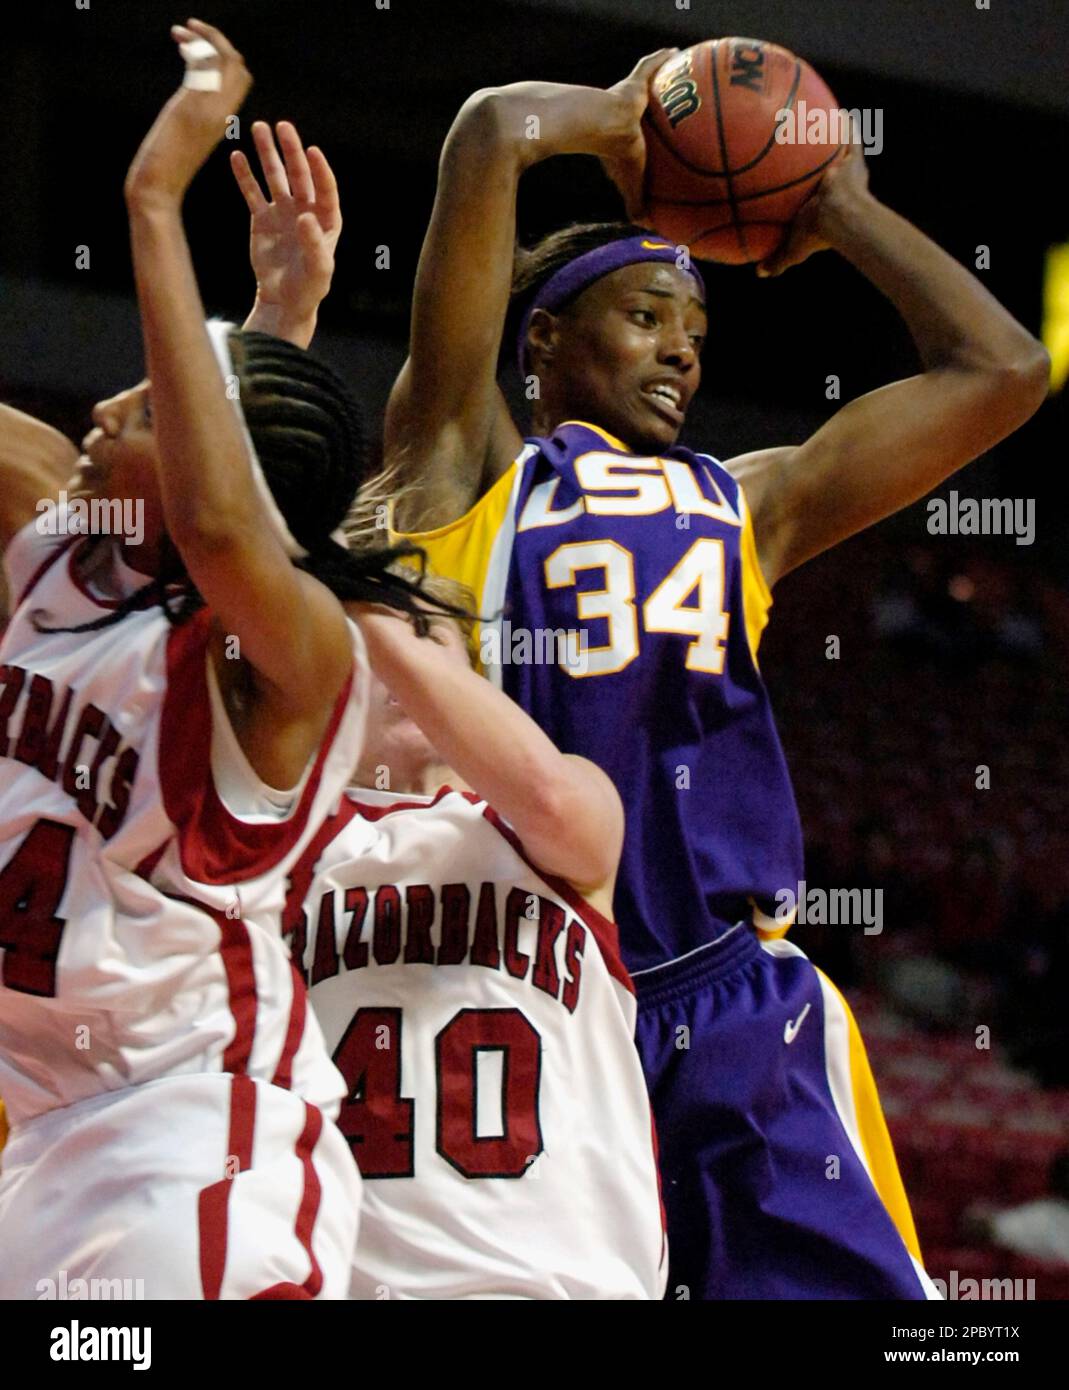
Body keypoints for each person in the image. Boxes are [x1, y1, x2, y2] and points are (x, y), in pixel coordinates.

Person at [379, 51, 1050, 1297]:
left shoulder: (748, 503)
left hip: (738, 1003)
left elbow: (1003, 373)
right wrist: (620, 127)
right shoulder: (464, 474)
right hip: (535, 1006)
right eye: (643, 319)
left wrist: (843, 205)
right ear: (543, 340)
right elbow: (486, 131)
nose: (681, 352)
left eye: (694, 331)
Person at [0, 20, 446, 1300]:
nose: (100, 411)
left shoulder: (292, 666)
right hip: (45, 1146)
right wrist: (276, 321)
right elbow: (206, 501)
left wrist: (153, 199)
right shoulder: (65, 556)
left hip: (197, 1151)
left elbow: (220, 519)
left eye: (142, 406)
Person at [283, 580, 665, 1298]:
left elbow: (549, 799)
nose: (398, 662)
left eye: (426, 633)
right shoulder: (277, 849)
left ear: (474, 678)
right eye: (367, 648)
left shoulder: (557, 808)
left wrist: (358, 602)